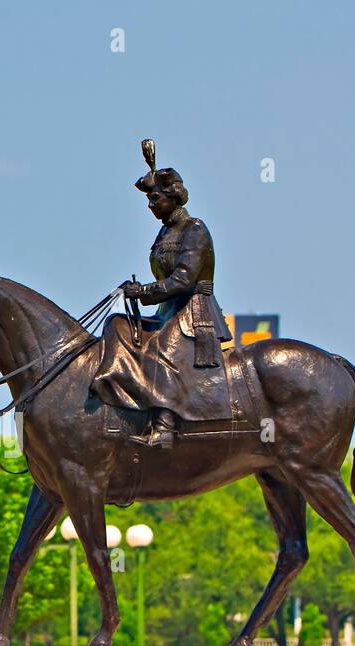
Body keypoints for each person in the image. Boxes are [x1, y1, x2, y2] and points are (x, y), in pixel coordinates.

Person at [91, 139, 233, 449]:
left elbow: (183, 279)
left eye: (154, 198)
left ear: (172, 197)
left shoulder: (195, 229)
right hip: (169, 310)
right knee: (119, 325)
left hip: (194, 313)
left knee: (160, 352)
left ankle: (165, 426)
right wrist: (138, 290)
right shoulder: (165, 232)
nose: (150, 205)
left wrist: (144, 290)